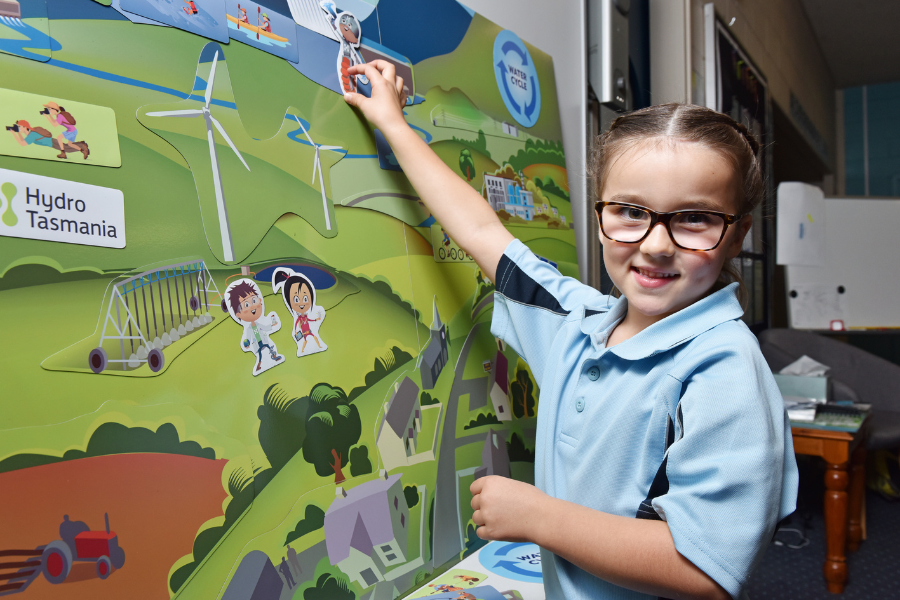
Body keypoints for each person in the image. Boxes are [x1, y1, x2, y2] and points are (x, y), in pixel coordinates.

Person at [343, 60, 798, 600]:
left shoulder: (725, 369)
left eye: (693, 218)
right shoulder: (573, 322)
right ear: (601, 209)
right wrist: (393, 124)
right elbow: (482, 230)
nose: (656, 244)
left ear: (738, 233)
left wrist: (539, 517)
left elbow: (708, 571)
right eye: (630, 211)